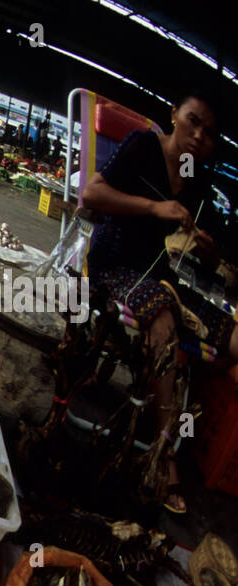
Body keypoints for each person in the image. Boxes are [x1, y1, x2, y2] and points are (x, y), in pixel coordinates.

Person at [81, 89, 229, 515]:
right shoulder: (142, 145)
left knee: (233, 339)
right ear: (174, 115)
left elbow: (204, 254)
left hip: (159, 277)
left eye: (210, 132)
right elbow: (92, 195)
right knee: (161, 320)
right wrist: (153, 207)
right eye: (193, 120)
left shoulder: (198, 178)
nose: (199, 136)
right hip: (112, 265)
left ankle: (202, 439)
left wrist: (207, 250)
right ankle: (165, 456)